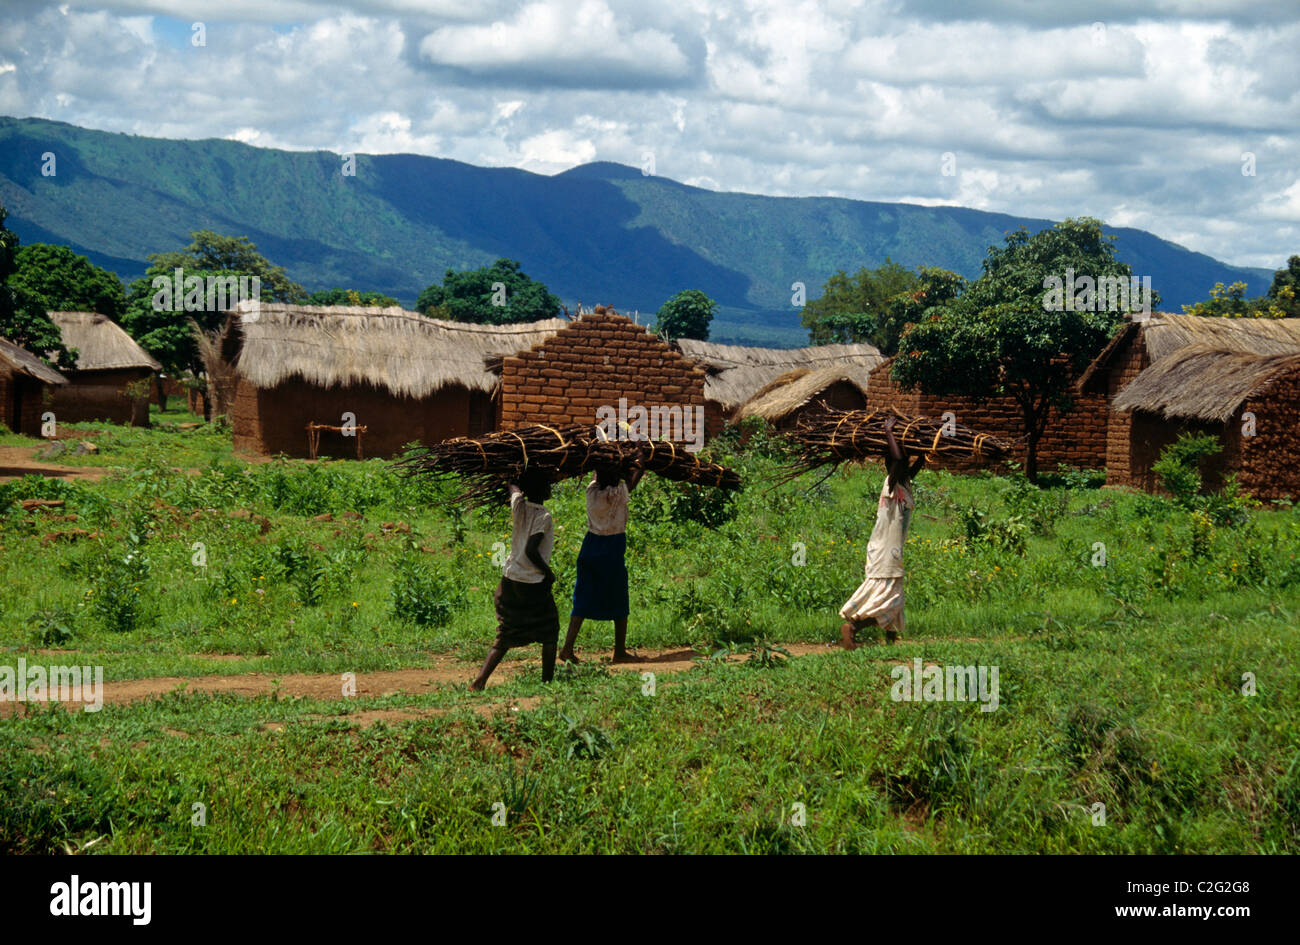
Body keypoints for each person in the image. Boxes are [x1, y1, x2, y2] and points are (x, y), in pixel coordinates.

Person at [840, 414, 925, 649]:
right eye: (901, 462)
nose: (905, 464)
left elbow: (914, 463)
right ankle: (854, 627)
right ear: (892, 466)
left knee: (892, 595)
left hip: (891, 550)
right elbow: (897, 460)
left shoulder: (904, 483)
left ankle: (889, 642)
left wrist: (925, 448)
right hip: (886, 551)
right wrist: (889, 432)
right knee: (891, 598)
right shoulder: (891, 482)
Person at [470, 468, 559, 690]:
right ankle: (547, 682)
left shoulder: (518, 504)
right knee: (550, 630)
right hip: (532, 582)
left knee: (507, 632)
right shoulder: (543, 515)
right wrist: (548, 573)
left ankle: (480, 681)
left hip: (510, 580)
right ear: (540, 489)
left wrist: (509, 475)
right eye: (547, 484)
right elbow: (531, 550)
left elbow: (513, 488)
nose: (550, 487)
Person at [559, 445, 646, 664]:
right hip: (612, 548)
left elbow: (605, 476)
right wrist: (642, 458)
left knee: (582, 599)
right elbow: (635, 476)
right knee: (619, 597)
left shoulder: (591, 491)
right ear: (617, 476)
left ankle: (567, 648)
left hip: (590, 547)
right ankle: (619, 651)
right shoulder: (619, 493)